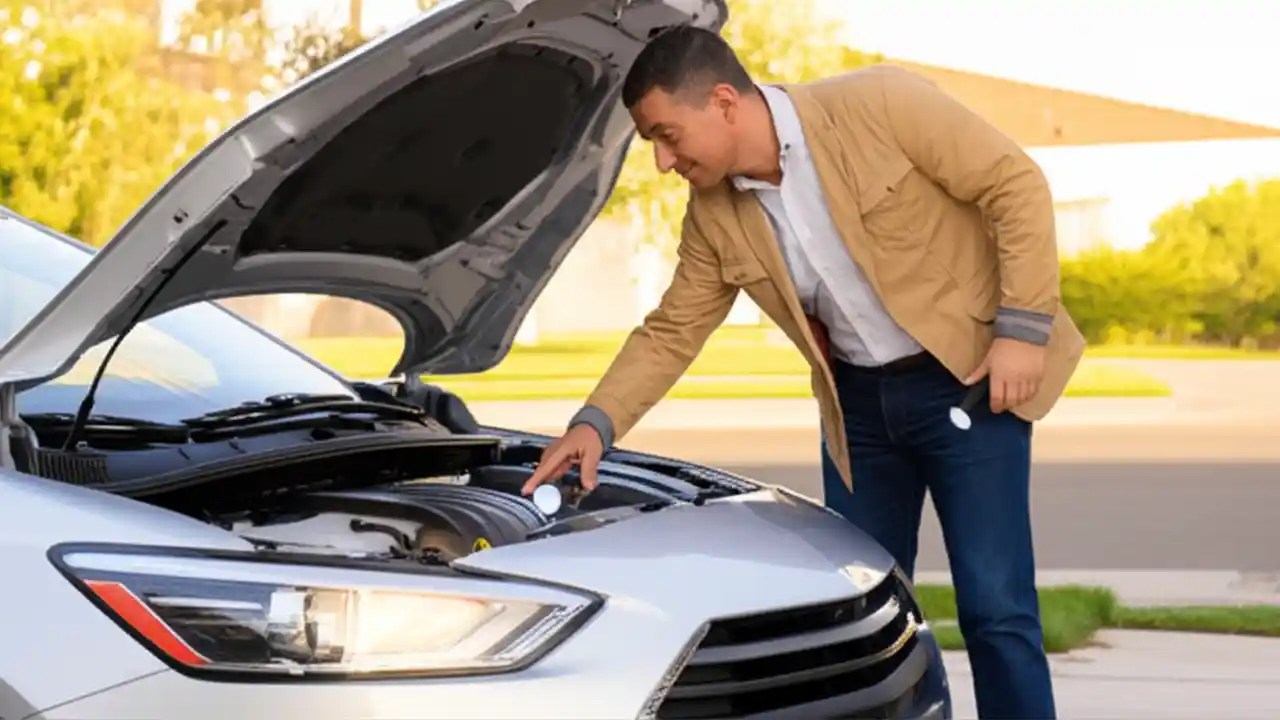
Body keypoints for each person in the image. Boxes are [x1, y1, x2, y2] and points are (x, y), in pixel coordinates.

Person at [520, 24, 1084, 719]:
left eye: (668, 135)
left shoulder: (882, 103)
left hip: (966, 388)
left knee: (996, 611)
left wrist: (1023, 330)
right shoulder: (714, 216)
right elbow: (672, 330)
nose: (663, 161)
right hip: (859, 415)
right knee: (851, 615)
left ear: (724, 101)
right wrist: (594, 424)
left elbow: (1015, 184)